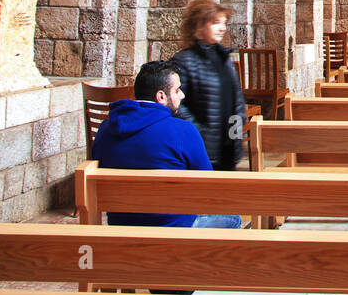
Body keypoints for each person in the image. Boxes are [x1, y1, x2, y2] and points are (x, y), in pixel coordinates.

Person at [91, 61, 242, 228]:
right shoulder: (183, 131)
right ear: (161, 96)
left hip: (122, 228)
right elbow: (208, 187)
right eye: (177, 90)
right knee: (233, 218)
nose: (182, 95)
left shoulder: (106, 129)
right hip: (172, 231)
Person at [168, 0, 247, 171]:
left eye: (224, 23)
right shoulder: (184, 61)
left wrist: (238, 126)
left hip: (228, 146)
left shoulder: (223, 57)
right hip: (203, 149)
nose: (222, 28)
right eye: (216, 23)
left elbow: (236, 97)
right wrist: (200, 132)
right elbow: (176, 103)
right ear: (199, 26)